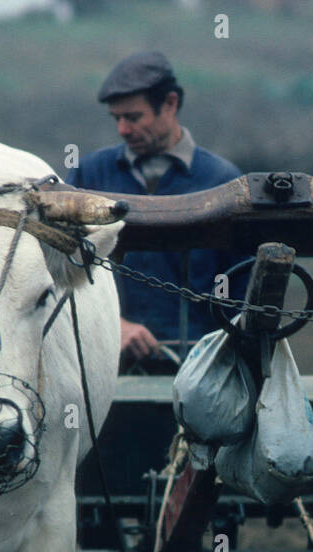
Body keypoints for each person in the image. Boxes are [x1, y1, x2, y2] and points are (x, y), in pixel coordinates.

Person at [67, 50, 247, 367]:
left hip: (199, 375)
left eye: (133, 118)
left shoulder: (223, 183)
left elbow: (244, 300)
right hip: (103, 371)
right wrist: (115, 326)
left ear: (170, 104)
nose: (122, 129)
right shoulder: (89, 177)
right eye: (117, 119)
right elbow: (63, 275)